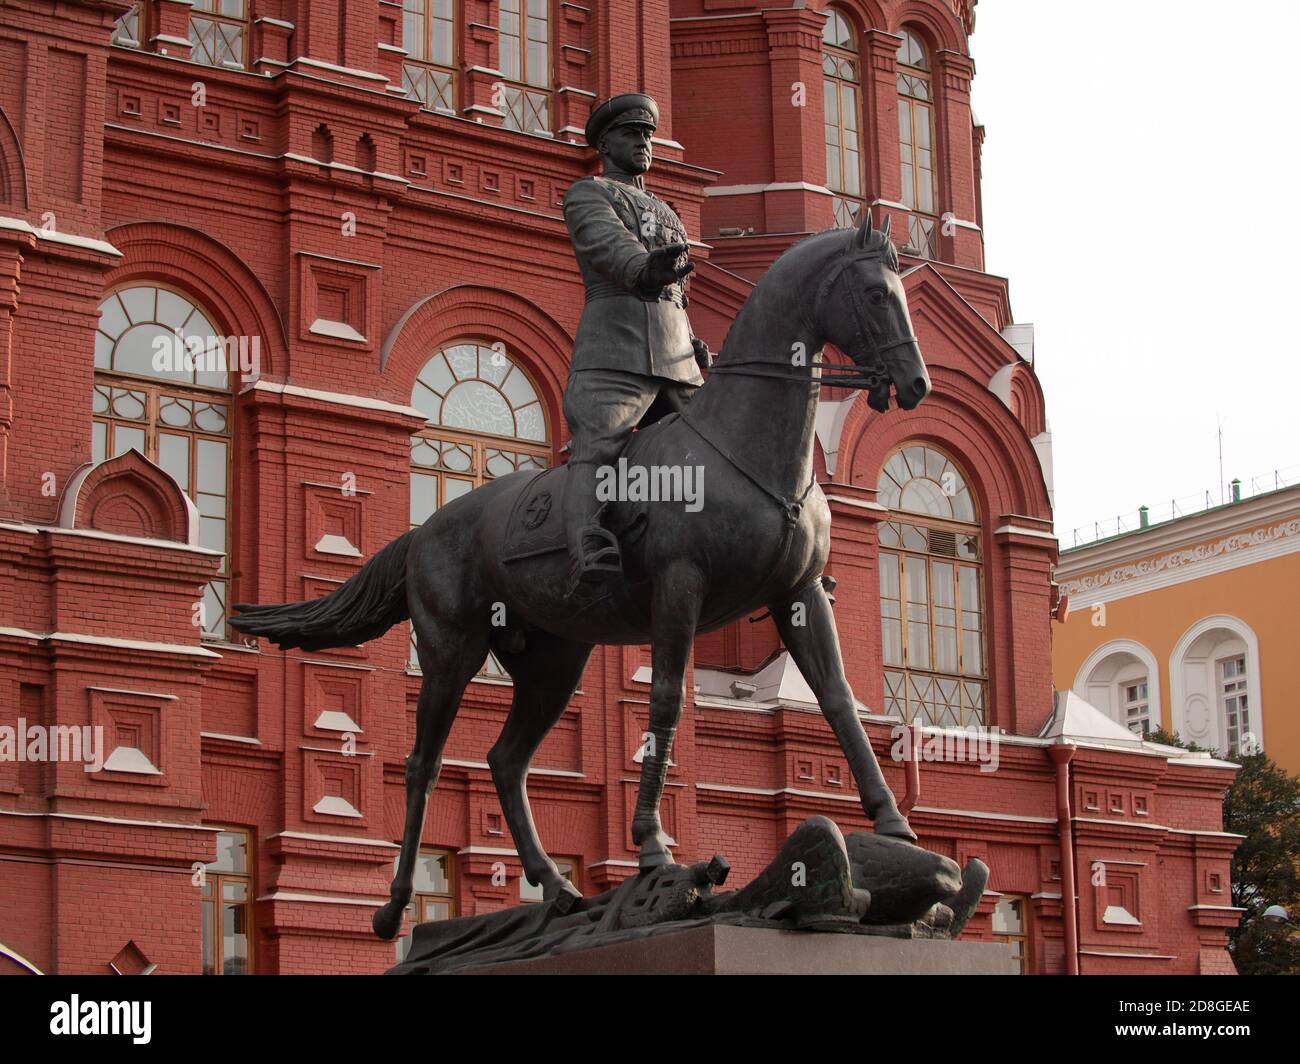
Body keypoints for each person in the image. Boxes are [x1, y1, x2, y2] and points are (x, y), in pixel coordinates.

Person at [561, 92, 711, 596]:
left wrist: (691, 340)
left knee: (721, 446)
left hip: (677, 358)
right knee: (602, 442)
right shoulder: (590, 192)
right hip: (616, 348)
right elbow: (608, 245)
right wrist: (642, 268)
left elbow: (678, 292)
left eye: (647, 135)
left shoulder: (668, 212)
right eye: (631, 134)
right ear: (606, 143)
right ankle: (586, 543)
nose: (643, 142)